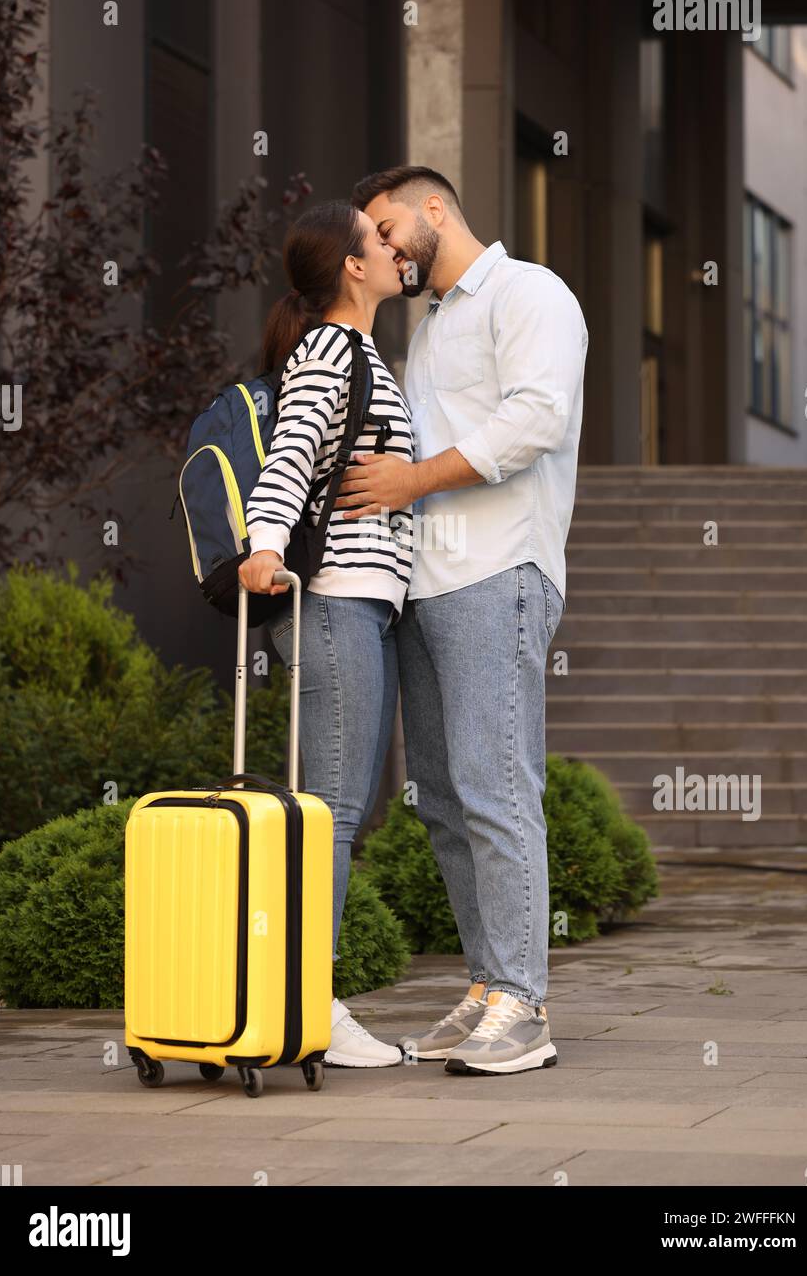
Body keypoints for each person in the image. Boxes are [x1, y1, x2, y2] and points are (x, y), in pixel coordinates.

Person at [337, 166, 588, 1075]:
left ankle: (524, 1006)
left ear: (434, 207)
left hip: (498, 570)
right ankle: (488, 987)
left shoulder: (530, 293)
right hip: (424, 585)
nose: (382, 246)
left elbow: (536, 420)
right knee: (442, 801)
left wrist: (410, 479)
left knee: (494, 787)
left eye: (387, 225)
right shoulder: (431, 330)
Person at [238, 200, 413, 1067]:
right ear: (351, 266)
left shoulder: (359, 350)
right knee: (333, 812)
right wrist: (263, 547)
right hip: (333, 599)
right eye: (378, 239)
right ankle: (313, 1005)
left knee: (341, 808)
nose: (393, 248)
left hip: (362, 603)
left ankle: (303, 997)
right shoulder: (330, 349)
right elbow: (290, 453)